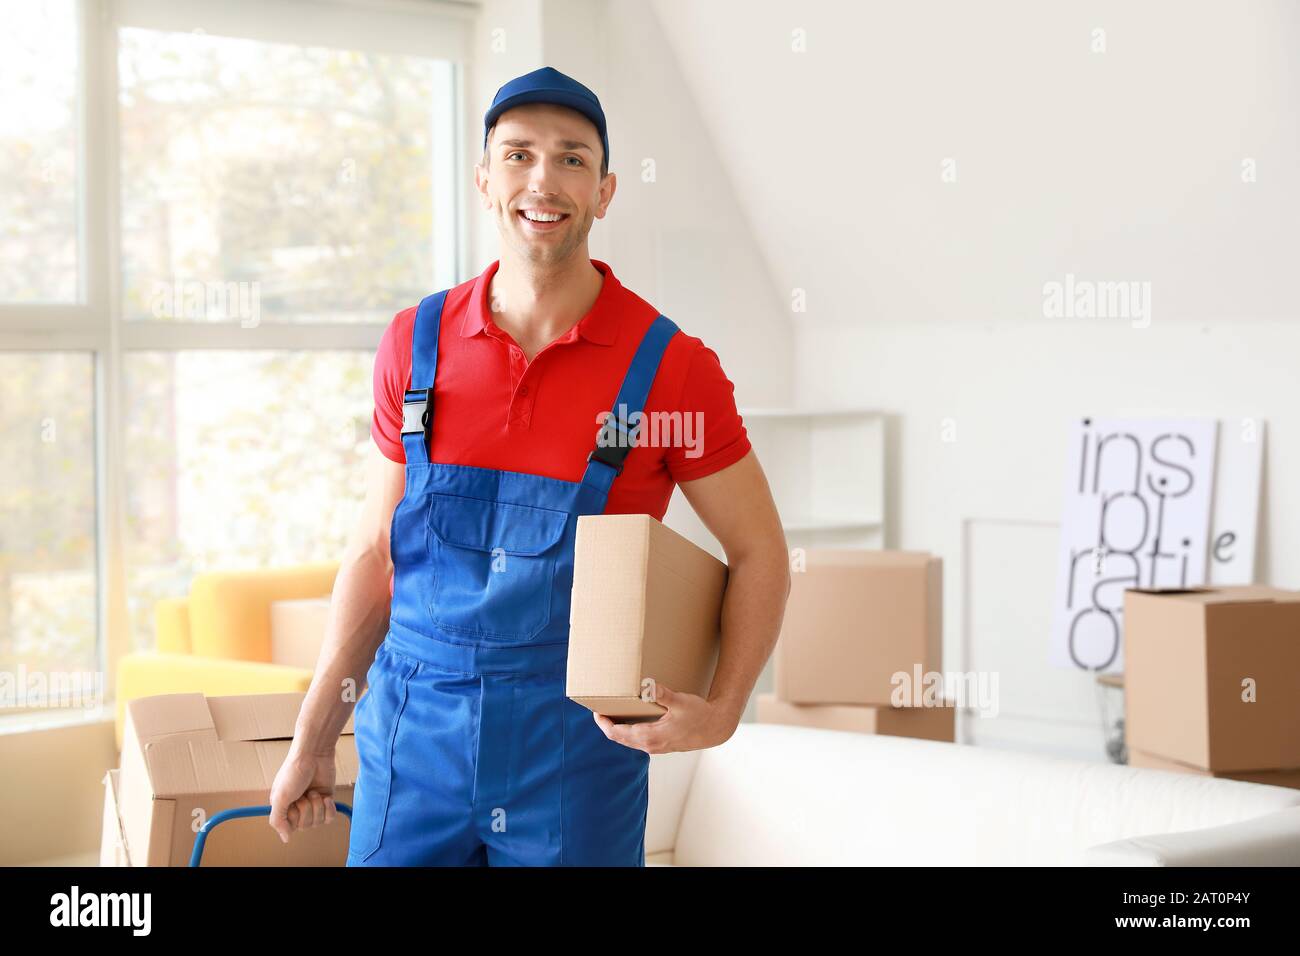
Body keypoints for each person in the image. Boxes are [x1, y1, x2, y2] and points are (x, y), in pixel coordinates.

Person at [268, 66, 790, 866]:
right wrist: (312, 736)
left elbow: (760, 552)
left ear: (606, 191)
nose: (542, 180)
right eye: (518, 156)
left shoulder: (670, 369)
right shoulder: (414, 346)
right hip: (413, 745)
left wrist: (724, 710)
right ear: (485, 179)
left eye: (572, 159)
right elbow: (376, 557)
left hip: (573, 756)